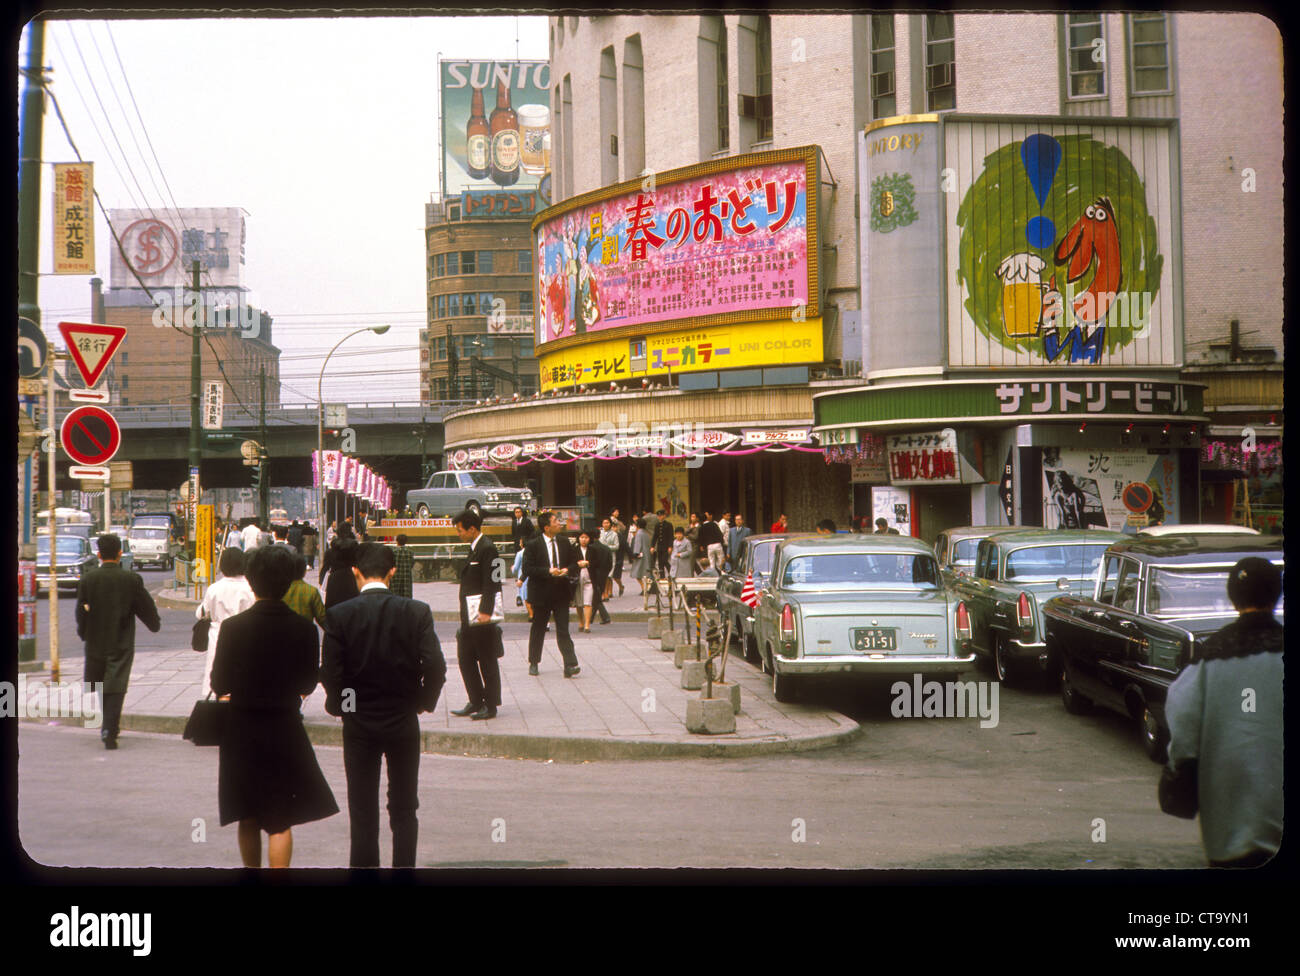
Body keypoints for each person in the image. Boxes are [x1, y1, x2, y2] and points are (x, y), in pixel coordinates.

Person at [211, 545, 338, 868]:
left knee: (248, 815)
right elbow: (307, 683)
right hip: (284, 728)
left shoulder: (233, 628)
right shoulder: (304, 629)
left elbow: (219, 683)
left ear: (252, 582)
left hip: (241, 730)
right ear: (289, 582)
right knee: (280, 820)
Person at [322, 542, 446, 868]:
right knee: (405, 806)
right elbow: (435, 665)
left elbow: (332, 675)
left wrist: (343, 707)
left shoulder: (339, 616)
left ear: (355, 572)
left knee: (362, 808)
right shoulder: (416, 611)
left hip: (359, 722)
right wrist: (422, 702)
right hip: (403, 718)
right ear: (392, 572)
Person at [1163, 558, 1283, 868]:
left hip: (1226, 806)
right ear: (1277, 595)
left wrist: (1180, 768)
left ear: (1233, 598)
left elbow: (1182, 720)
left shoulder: (1209, 658)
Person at [76, 534, 161, 750]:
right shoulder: (130, 579)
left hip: (95, 640)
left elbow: (80, 612)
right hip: (121, 639)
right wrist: (154, 624)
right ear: (120, 554)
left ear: (98, 555)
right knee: (117, 682)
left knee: (100, 681)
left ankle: (108, 724)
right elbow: (146, 607)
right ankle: (110, 728)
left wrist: (84, 633)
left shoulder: (88, 579)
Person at [450, 509, 503, 721]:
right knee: (465, 659)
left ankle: (490, 705)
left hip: (481, 616)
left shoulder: (488, 549)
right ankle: (475, 699)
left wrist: (486, 612)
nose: (458, 534)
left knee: (487, 660)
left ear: (472, 529)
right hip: (468, 617)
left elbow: (494, 582)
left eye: (460, 530)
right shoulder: (473, 548)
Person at [522, 511, 581, 677]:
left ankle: (570, 664)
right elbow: (527, 569)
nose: (560, 523)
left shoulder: (564, 542)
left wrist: (567, 570)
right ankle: (534, 661)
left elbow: (574, 563)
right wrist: (548, 571)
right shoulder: (533, 545)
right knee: (538, 628)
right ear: (547, 527)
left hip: (561, 593)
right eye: (556, 521)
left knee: (563, 629)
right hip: (541, 594)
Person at [197, 547, 257, 696]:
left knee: (216, 667)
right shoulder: (250, 588)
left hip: (218, 633)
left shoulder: (214, 588)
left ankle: (216, 697)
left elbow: (202, 613)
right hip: (245, 634)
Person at [572, 529, 610, 632]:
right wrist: (578, 565)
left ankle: (587, 625)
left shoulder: (593, 550)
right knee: (579, 603)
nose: (584, 540)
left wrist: (589, 564)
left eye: (586, 538)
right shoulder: (574, 550)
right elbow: (570, 564)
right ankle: (581, 621)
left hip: (590, 579)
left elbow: (598, 564)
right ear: (578, 539)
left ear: (589, 539)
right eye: (582, 537)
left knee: (588, 602)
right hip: (577, 578)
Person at [282, 552, 327, 629]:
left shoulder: (278, 590)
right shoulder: (311, 591)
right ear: (304, 571)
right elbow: (322, 618)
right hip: (305, 634)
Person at [319, 525, 360, 608]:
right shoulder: (354, 548)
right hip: (351, 578)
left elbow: (325, 567)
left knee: (333, 606)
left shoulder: (331, 551)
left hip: (334, 579)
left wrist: (321, 580)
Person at [598, 517, 619, 600]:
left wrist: (606, 547)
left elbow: (617, 546)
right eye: (604, 523)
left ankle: (606, 593)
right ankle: (605, 592)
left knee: (609, 575)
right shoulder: (599, 533)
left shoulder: (614, 534)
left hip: (610, 556)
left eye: (607, 523)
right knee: (604, 575)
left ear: (610, 524)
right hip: (601, 556)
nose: (606, 524)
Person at [609, 508, 628, 597]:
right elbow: (624, 528)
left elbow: (623, 528)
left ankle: (621, 586)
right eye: (616, 511)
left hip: (618, 553)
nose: (618, 513)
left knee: (615, 576)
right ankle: (610, 592)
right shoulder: (612, 520)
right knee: (609, 576)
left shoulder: (619, 534)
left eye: (618, 511)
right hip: (610, 553)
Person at [629, 517, 650, 595]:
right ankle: (646, 588)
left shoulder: (638, 534)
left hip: (640, 556)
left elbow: (637, 545)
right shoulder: (646, 533)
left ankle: (644, 588)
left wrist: (635, 554)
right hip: (647, 555)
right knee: (645, 573)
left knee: (637, 574)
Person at [390, 533, 415, 599]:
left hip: (395, 577)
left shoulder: (393, 552)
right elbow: (412, 564)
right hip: (406, 577)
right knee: (406, 595)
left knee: (395, 595)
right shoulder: (410, 552)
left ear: (397, 541)